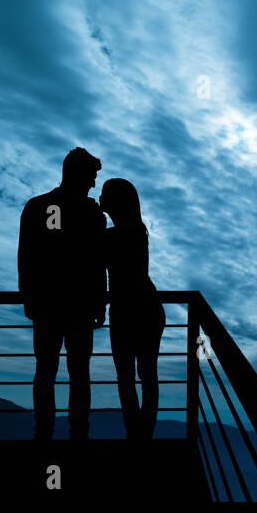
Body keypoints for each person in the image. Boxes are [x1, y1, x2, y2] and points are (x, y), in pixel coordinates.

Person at [17, 147, 106, 440]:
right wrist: (99, 302)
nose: (94, 183)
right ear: (78, 174)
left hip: (48, 305)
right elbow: (97, 261)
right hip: (77, 305)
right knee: (78, 374)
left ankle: (44, 435)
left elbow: (27, 257)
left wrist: (29, 297)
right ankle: (78, 436)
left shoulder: (37, 206)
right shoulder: (91, 215)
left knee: (46, 372)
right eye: (91, 176)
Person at [99, 178, 165, 440]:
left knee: (132, 376)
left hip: (133, 311)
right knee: (142, 375)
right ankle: (141, 434)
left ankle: (138, 434)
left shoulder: (119, 234)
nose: (99, 197)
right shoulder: (135, 230)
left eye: (104, 194)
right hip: (142, 308)